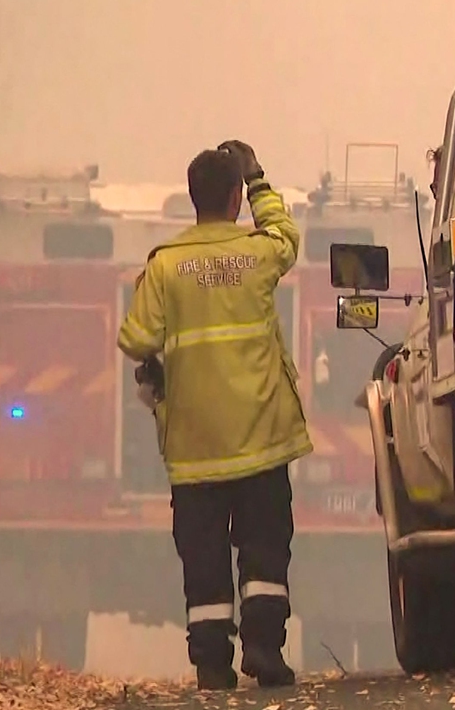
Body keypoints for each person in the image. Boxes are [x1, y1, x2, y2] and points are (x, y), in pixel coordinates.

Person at [117, 140, 313, 691]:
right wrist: (259, 179)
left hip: (195, 447)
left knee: (203, 558)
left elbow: (135, 338)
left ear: (193, 198)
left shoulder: (165, 265)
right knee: (265, 549)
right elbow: (286, 234)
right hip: (261, 438)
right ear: (234, 199)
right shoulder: (258, 253)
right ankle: (264, 650)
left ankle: (211, 666)